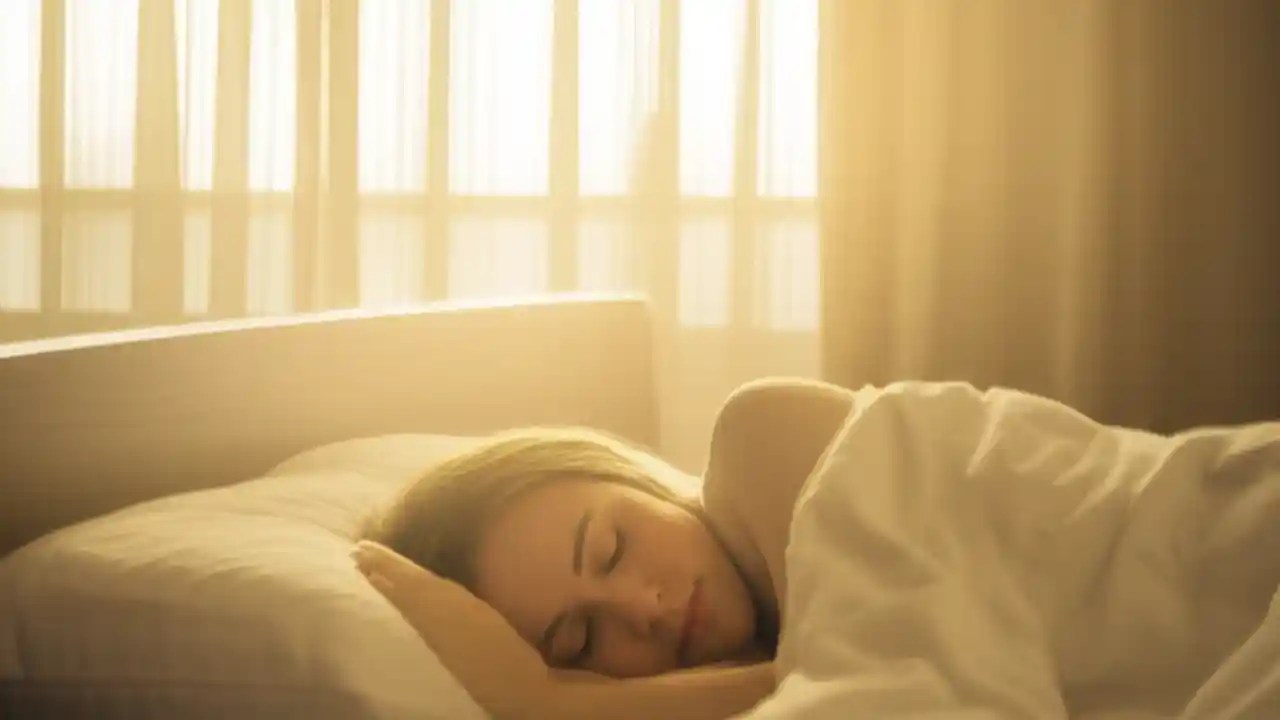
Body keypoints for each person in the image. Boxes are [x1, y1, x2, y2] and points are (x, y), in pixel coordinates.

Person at [351, 377, 854, 720]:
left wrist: (549, 701)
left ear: (623, 477)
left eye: (612, 549)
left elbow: (861, 688)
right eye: (582, 639)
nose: (644, 608)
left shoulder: (764, 438)